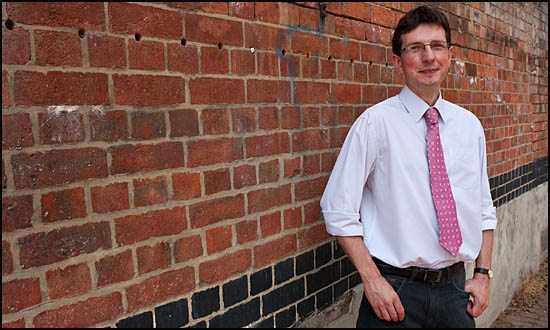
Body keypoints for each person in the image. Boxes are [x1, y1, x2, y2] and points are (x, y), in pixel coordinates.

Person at [320, 5, 497, 328]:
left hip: (455, 293)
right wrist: (373, 282)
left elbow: (484, 209)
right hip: (394, 295)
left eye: (437, 46)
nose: (428, 57)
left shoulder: (469, 127)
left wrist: (483, 274)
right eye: (416, 48)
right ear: (397, 60)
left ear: (450, 54)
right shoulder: (375, 124)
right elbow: (337, 210)